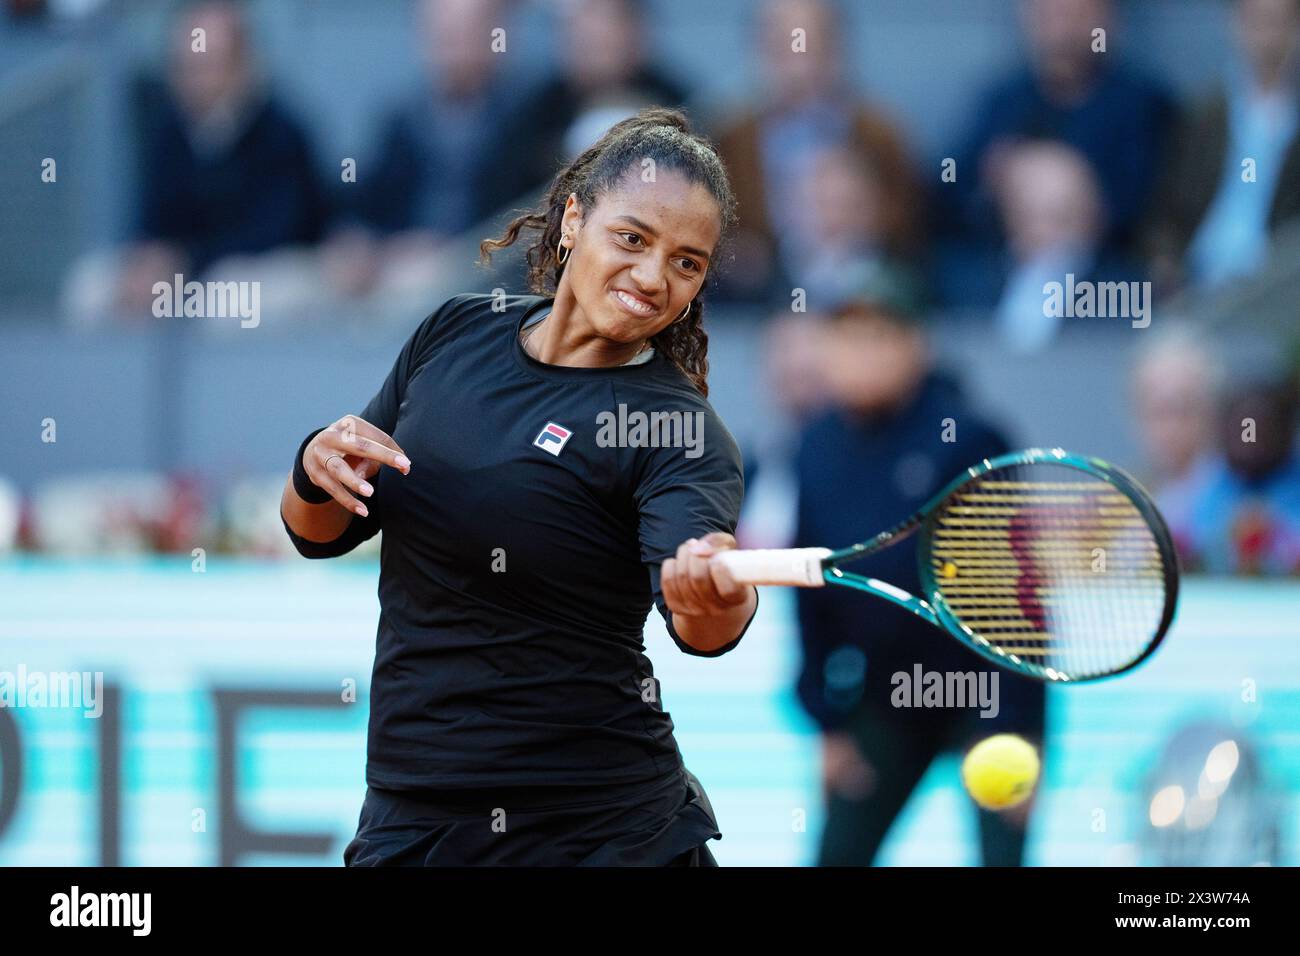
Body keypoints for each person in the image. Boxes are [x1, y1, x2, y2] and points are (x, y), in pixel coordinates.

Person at [280, 108, 758, 866]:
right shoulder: (453, 334)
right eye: (632, 239)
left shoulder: (677, 430)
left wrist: (719, 597)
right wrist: (314, 463)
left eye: (686, 263)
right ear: (573, 219)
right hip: (412, 813)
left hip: (599, 834)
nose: (652, 278)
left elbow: (701, 620)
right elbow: (320, 530)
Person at [791, 269, 1047, 866]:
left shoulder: (972, 437)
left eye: (879, 335)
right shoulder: (814, 445)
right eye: (846, 336)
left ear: (916, 345)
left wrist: (1020, 726)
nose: (861, 353)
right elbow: (811, 592)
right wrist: (825, 722)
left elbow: (1018, 594)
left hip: (987, 698)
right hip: (886, 698)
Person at [1144, 0, 1300, 295]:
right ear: (1235, 25)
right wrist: (1165, 261)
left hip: (1275, 287)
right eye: (1257, 21)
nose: (1268, 37)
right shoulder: (1204, 114)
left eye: (1279, 22)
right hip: (1197, 280)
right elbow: (1168, 208)